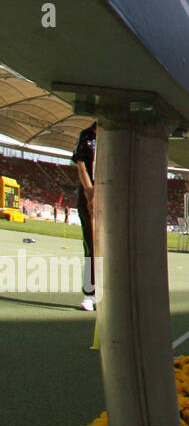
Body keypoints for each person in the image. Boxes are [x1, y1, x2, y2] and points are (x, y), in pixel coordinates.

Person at [71, 122, 97, 312]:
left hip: (113, 198)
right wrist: (89, 192)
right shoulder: (88, 135)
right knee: (92, 247)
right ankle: (90, 294)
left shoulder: (123, 133)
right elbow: (81, 165)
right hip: (89, 198)